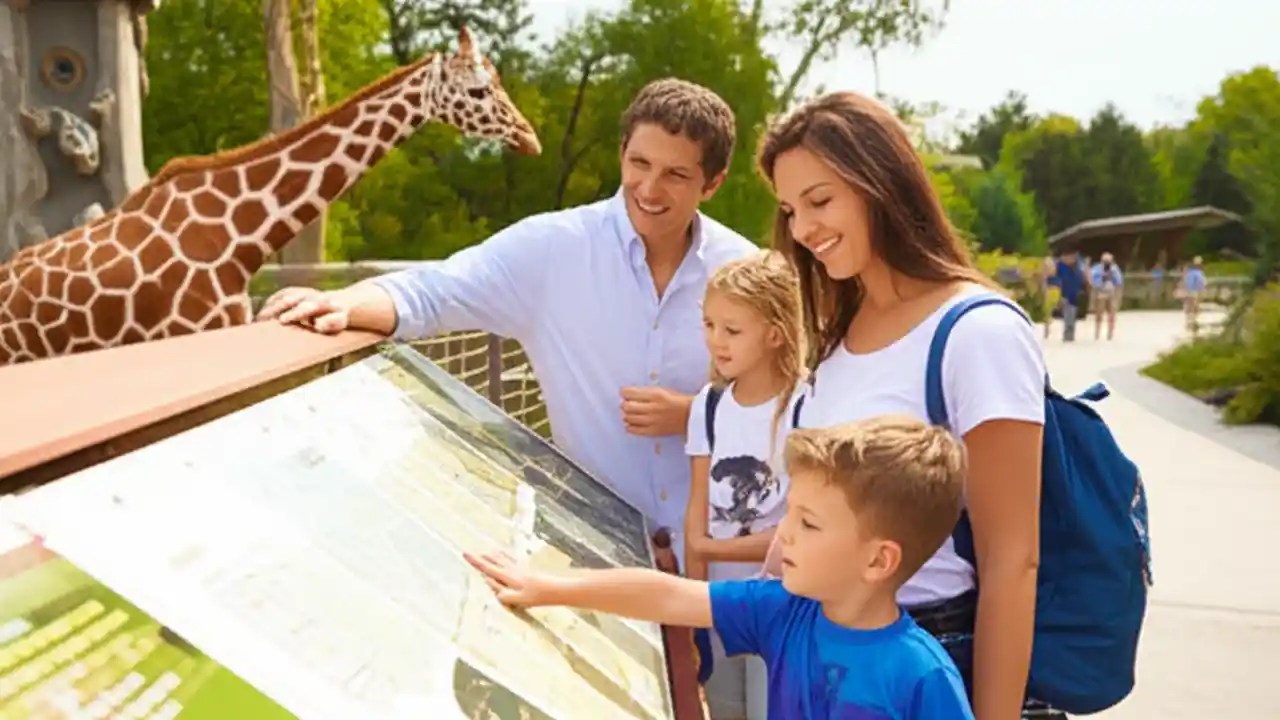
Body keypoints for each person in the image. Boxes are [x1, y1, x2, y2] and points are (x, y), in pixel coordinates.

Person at [256, 78, 759, 557]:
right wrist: (345, 302)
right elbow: (436, 291)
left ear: (712, 184)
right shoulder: (554, 249)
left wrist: (696, 415)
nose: (649, 188)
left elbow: (786, 405)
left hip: (734, 557)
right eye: (639, 163)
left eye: (675, 175)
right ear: (622, 152)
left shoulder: (745, 270)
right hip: (608, 561)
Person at [755, 91, 1054, 719]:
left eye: (820, 201)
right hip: (821, 654)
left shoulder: (978, 332)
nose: (802, 230)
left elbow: (1012, 560)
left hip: (924, 658)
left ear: (881, 183)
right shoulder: (839, 335)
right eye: (790, 210)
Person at [465, 416, 975, 720]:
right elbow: (668, 595)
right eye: (790, 514)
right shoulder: (785, 611)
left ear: (878, 560)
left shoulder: (922, 676)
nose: (783, 534)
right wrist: (547, 587)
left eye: (809, 524)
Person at [682, 251, 808, 719]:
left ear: (775, 334)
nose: (716, 340)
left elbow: (800, 529)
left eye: (732, 330)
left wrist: (711, 548)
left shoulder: (805, 405)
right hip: (718, 607)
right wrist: (692, 607)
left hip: (781, 605)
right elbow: (697, 510)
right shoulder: (709, 405)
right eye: (709, 325)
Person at [1090, 251, 1123, 340]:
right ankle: (1097, 333)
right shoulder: (1096, 269)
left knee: (1112, 314)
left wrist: (1112, 275)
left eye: (1108, 261)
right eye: (1105, 261)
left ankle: (1110, 334)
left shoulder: (1115, 269)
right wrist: (1102, 277)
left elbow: (1119, 281)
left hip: (1112, 293)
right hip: (1100, 293)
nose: (1107, 263)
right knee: (1099, 314)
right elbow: (1092, 280)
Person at [1180, 255, 1207, 334]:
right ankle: (1192, 320)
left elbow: (1186, 281)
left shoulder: (1191, 272)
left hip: (1190, 290)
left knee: (1191, 305)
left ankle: (1190, 320)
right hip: (1194, 290)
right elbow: (1201, 282)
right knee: (1193, 305)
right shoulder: (1197, 272)